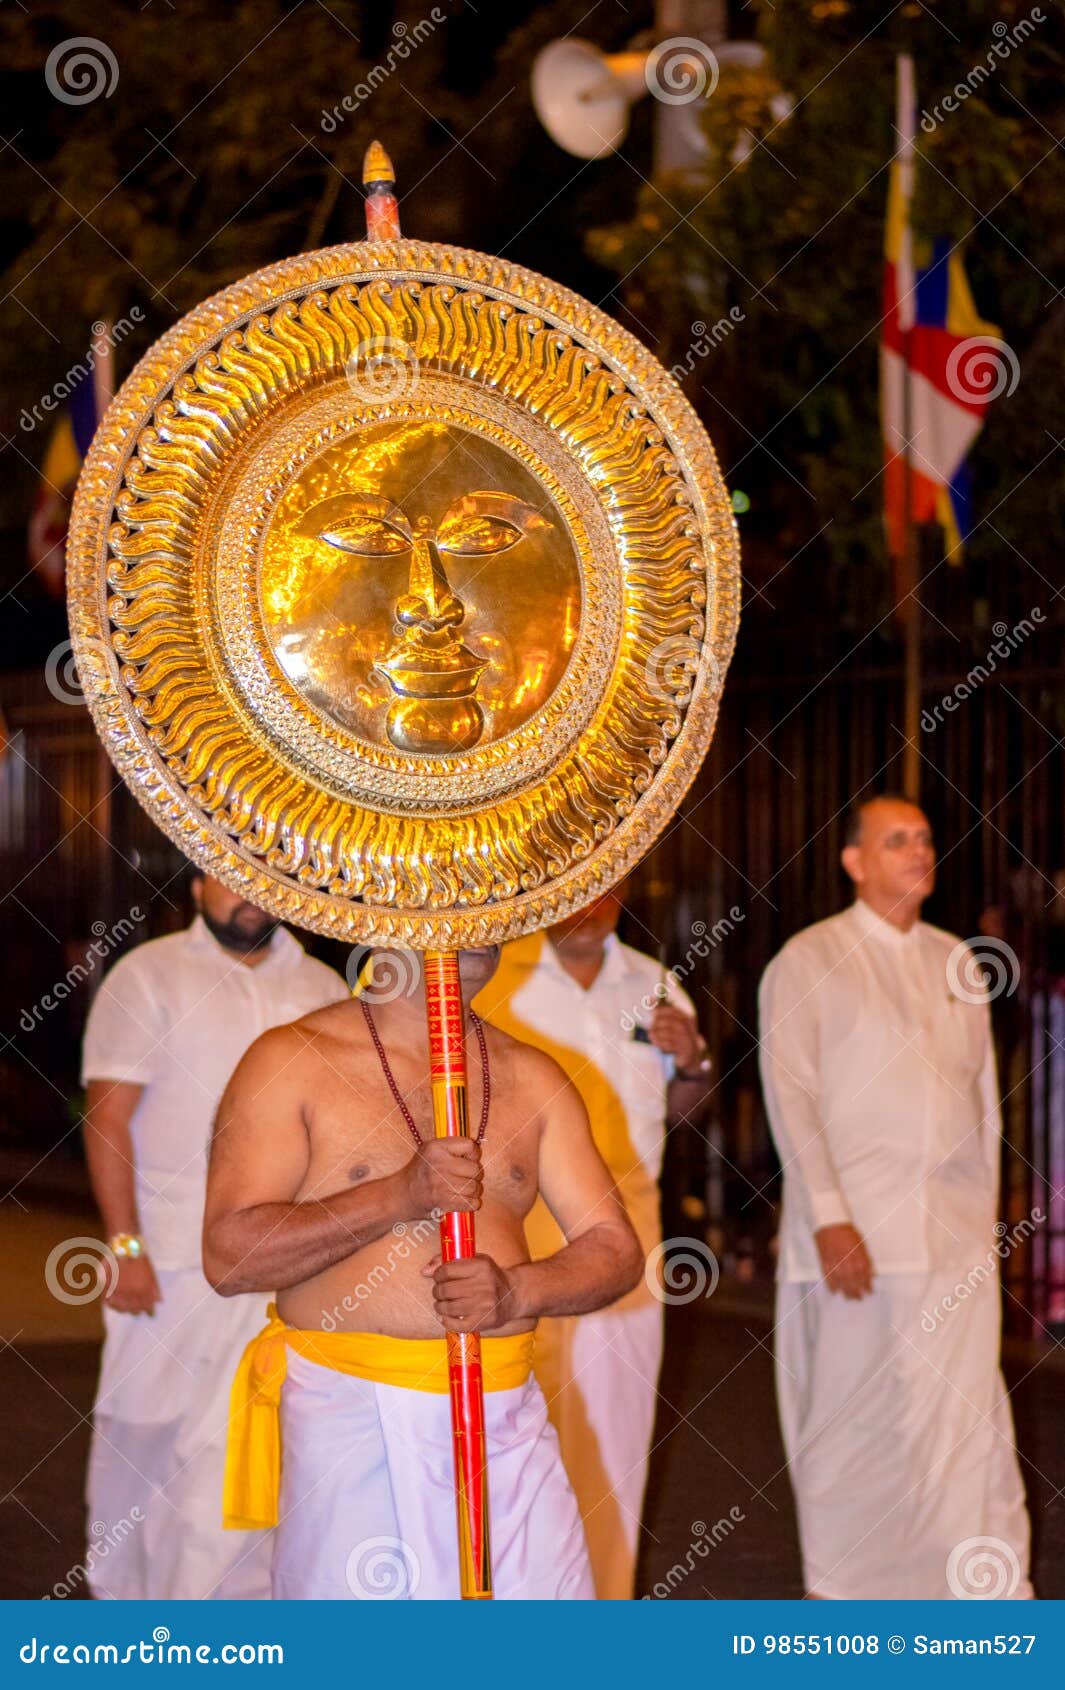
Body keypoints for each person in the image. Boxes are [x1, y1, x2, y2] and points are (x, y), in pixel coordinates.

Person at [203, 943, 643, 1601]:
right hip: (349, 1424)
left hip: (505, 1426)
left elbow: (615, 1248)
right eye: (448, 900)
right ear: (385, 912)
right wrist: (395, 1196)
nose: (471, 922)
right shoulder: (291, 1059)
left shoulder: (533, 1075)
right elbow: (229, 1258)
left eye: (488, 904)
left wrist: (516, 1291)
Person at [758, 794, 1033, 1601]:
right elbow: (790, 1097)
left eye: (923, 839)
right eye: (895, 841)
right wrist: (829, 1217)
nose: (917, 852)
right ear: (853, 861)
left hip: (953, 1242)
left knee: (966, 1422)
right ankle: (850, 1593)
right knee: (852, 1423)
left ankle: (976, 1592)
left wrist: (986, 1223)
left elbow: (982, 1106)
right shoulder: (808, 958)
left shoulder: (960, 962)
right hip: (857, 1241)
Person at [81, 871, 347, 1599]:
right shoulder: (149, 975)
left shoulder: (322, 987)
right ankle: (132, 1609)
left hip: (284, 1265)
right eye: (229, 879)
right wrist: (125, 1247)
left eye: (263, 880)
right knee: (146, 1442)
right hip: (169, 1261)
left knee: (243, 1453)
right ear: (198, 886)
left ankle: (231, 1619)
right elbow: (107, 1119)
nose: (247, 894)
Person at [474, 885, 712, 1599]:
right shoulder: (492, 974)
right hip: (514, 1235)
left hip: (625, 1239)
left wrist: (693, 1062)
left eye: (606, 886)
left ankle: (604, 1609)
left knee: (616, 1435)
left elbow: (686, 1110)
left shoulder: (655, 983)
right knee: (510, 1429)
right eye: (579, 886)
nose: (591, 902)